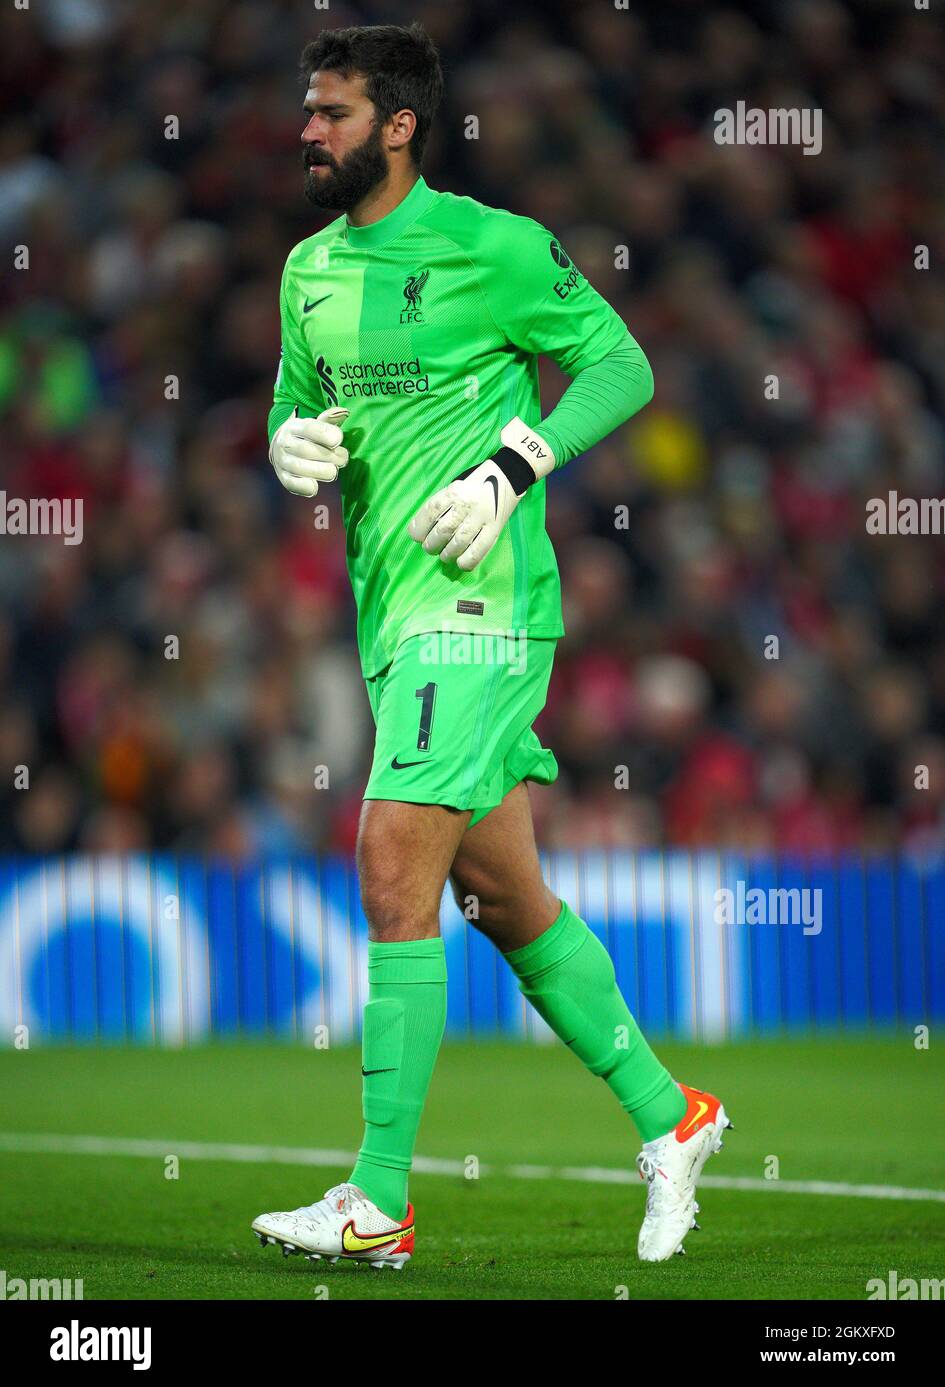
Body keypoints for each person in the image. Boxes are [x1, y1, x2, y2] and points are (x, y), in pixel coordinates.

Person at [252, 21, 730, 1271]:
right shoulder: (308, 272)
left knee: (391, 864)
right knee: (500, 894)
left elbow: (619, 364)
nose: (308, 131)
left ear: (399, 126)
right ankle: (673, 1117)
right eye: (308, 111)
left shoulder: (495, 246)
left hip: (481, 607)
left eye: (333, 112)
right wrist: (287, 440)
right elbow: (299, 402)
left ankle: (378, 1201)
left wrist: (520, 462)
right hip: (390, 613)